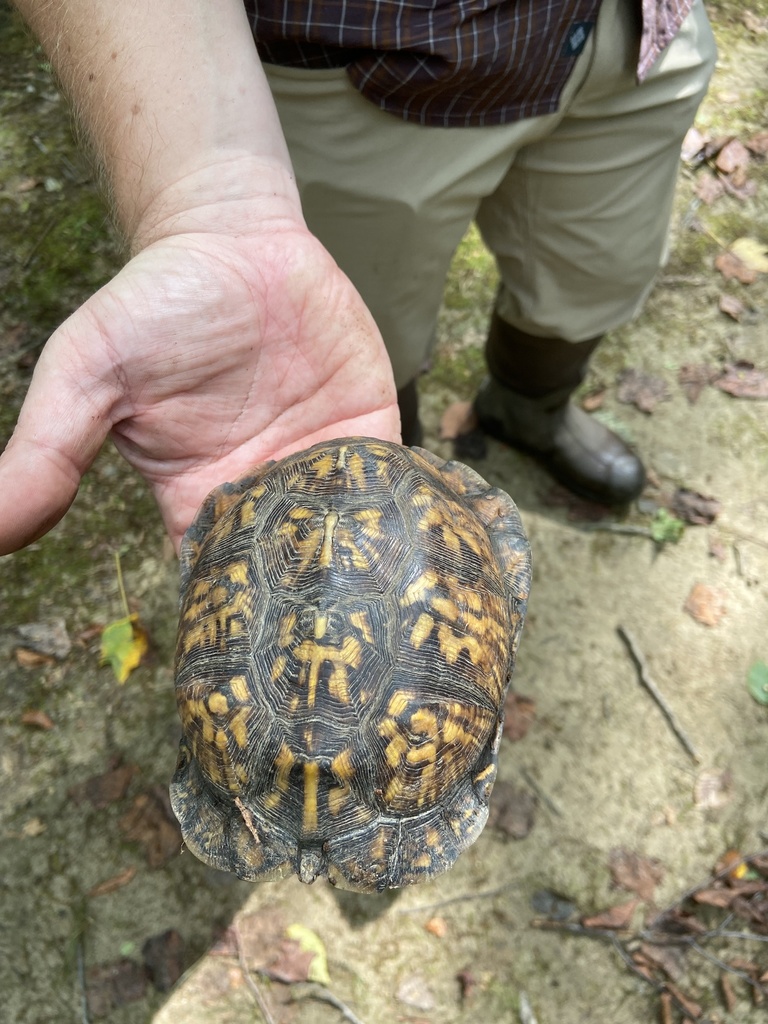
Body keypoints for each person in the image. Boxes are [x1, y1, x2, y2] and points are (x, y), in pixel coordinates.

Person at [0, 0, 716, 557]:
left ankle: (530, 409)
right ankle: (382, 504)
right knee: (357, 359)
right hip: (358, 53)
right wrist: (209, 199)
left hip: (642, 33)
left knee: (592, 279)